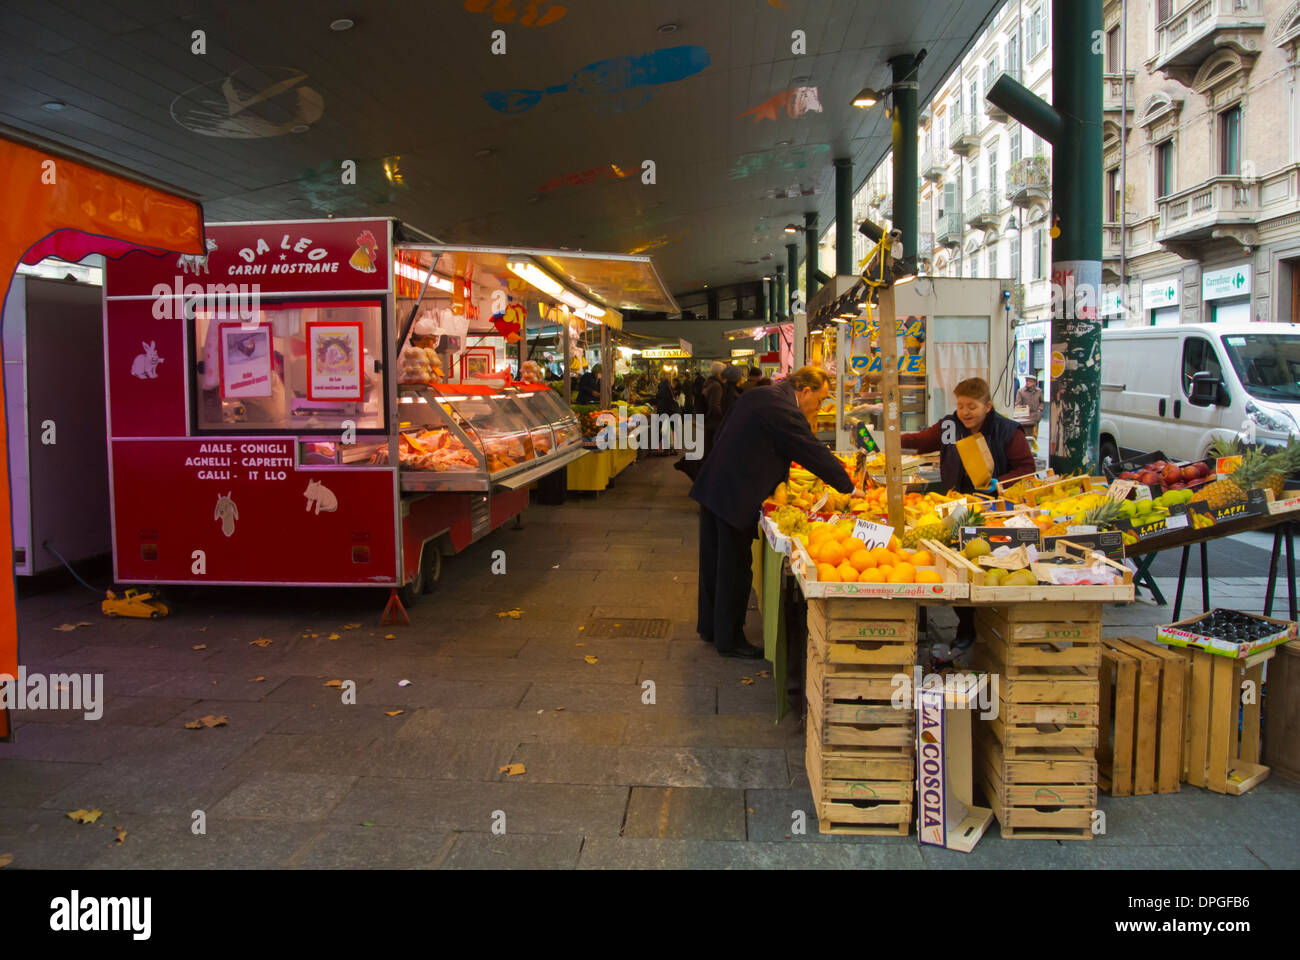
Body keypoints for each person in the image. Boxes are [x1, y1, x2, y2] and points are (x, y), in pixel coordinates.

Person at [691, 366, 862, 658]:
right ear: (805, 391)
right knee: (733, 568)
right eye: (820, 400)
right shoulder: (782, 407)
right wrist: (847, 486)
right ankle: (730, 639)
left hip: (716, 484)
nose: (819, 407)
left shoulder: (760, 395)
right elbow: (809, 449)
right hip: (736, 492)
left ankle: (711, 628)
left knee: (714, 562)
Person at [902, 376, 1035, 664]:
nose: (965, 412)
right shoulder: (950, 426)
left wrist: (1000, 482)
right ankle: (967, 629)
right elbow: (920, 442)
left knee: (989, 571)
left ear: (987, 406)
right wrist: (887, 440)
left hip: (996, 513)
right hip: (956, 511)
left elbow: (1026, 468)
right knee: (960, 572)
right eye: (961, 405)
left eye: (971, 406)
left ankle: (990, 629)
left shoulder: (1008, 431)